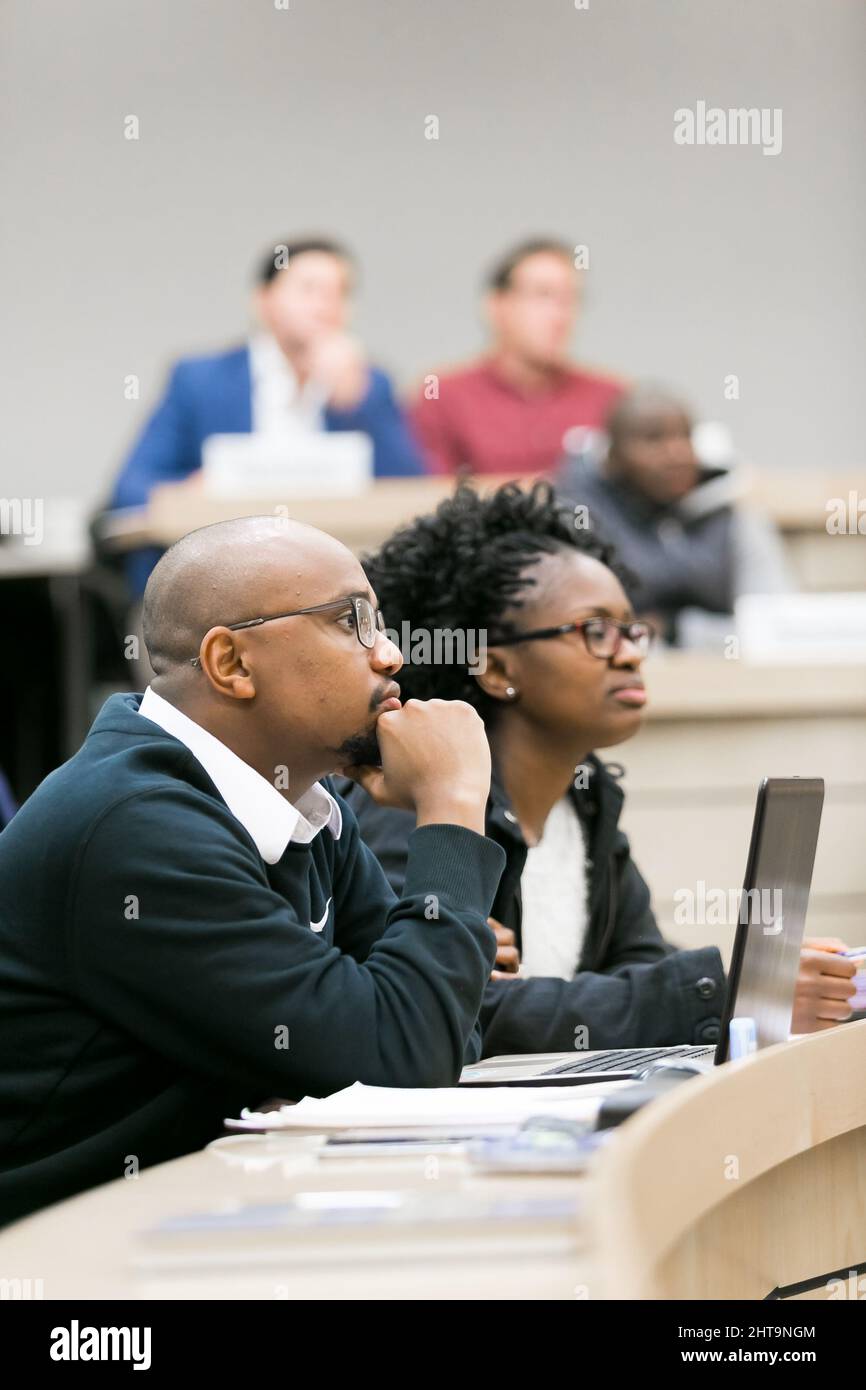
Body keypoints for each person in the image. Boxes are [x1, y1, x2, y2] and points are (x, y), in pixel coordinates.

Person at [0, 516, 504, 1225]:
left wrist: (357, 1045)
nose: (389, 655)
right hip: (57, 1260)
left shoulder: (305, 804)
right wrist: (451, 806)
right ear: (231, 663)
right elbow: (403, 1057)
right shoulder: (136, 830)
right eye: (350, 622)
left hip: (187, 1222)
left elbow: (439, 1027)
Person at [336, 482, 855, 1057]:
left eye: (634, 630)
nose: (631, 652)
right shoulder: (413, 797)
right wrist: (721, 995)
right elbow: (459, 1013)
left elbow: (635, 963)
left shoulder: (588, 798)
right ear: (495, 667)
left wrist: (752, 991)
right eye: (595, 630)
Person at [109, 237, 425, 597]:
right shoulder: (200, 379)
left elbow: (410, 491)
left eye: (341, 292)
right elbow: (131, 488)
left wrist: (357, 404)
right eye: (309, 289)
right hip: (224, 581)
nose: (327, 304)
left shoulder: (369, 383)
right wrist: (194, 491)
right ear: (263, 301)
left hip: (337, 581)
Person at [556, 385, 791, 646]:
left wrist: (675, 631)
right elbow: (579, 636)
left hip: (725, 675)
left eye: (685, 436)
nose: (677, 454)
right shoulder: (575, 518)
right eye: (653, 439)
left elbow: (775, 628)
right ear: (613, 456)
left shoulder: (732, 514)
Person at [410, 238, 623, 477]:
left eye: (571, 299)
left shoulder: (611, 398)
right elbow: (433, 498)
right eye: (544, 295)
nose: (560, 315)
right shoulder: (443, 396)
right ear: (496, 306)